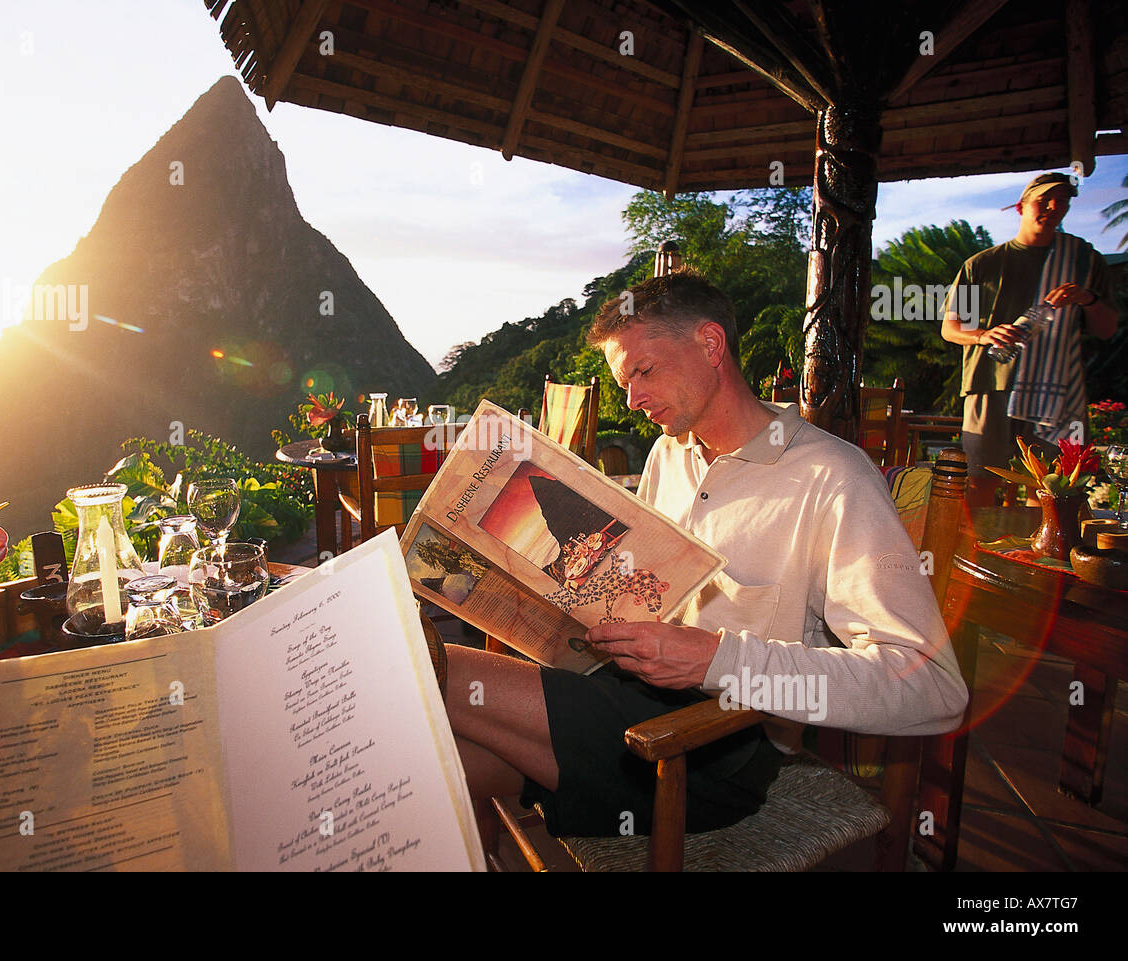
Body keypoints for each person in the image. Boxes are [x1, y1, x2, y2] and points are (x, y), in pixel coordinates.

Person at [444, 271, 969, 848]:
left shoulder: (831, 479)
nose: (632, 399)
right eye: (623, 384)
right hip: (630, 700)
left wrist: (716, 660)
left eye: (643, 372)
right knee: (427, 755)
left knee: (436, 670)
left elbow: (932, 690)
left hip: (718, 745)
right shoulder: (669, 455)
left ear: (710, 345)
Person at [940, 172, 1119, 507]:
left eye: (1063, 200)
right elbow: (950, 329)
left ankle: (1037, 558)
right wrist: (984, 335)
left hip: (1057, 392)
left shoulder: (1082, 261)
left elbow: (1108, 329)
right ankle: (974, 555)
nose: (1054, 207)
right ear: (1021, 206)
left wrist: (1087, 299)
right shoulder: (982, 265)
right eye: (1044, 199)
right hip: (990, 386)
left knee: (1052, 491)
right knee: (980, 483)